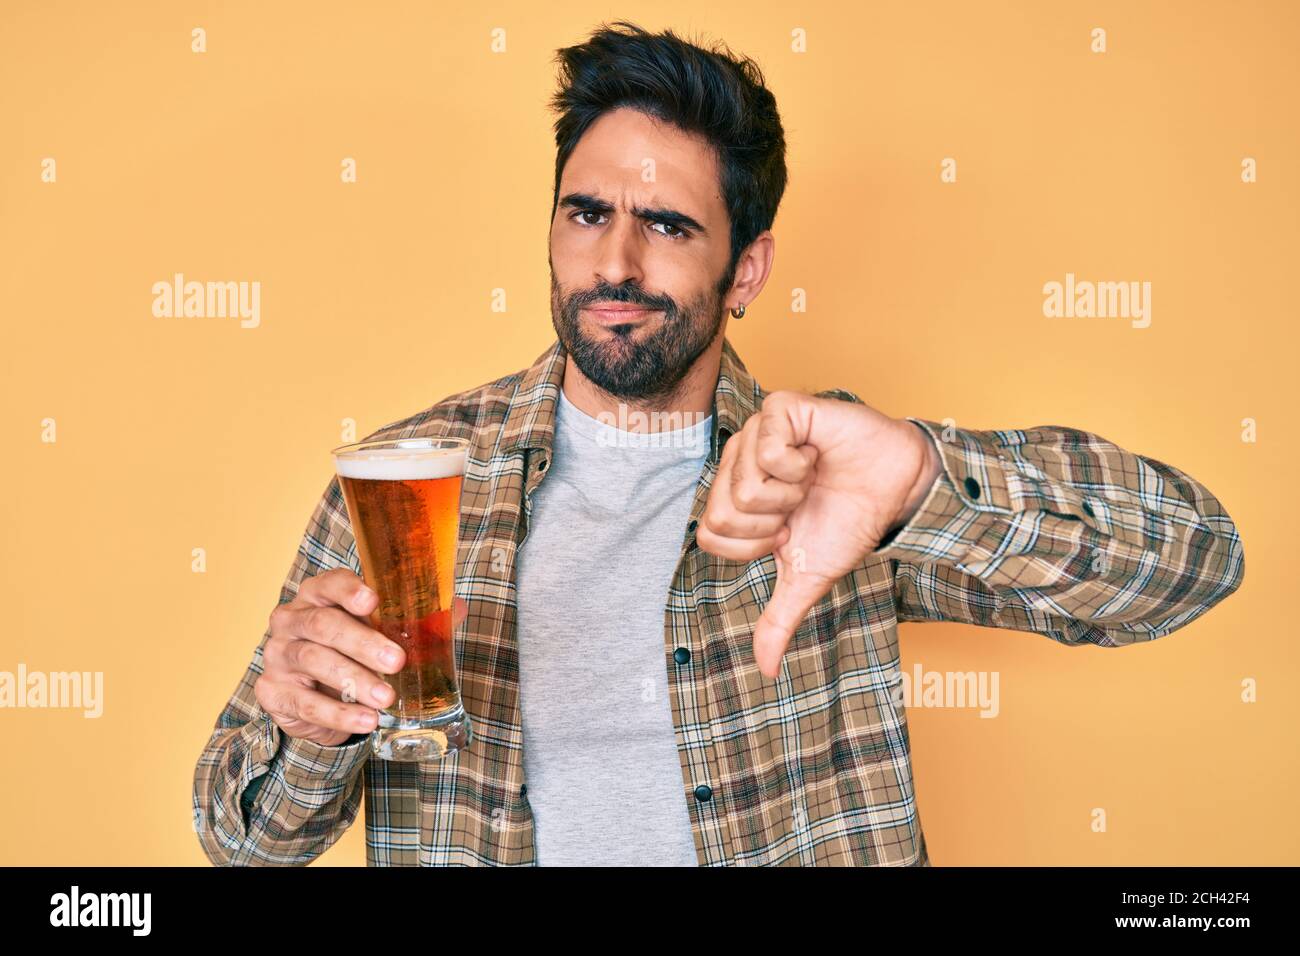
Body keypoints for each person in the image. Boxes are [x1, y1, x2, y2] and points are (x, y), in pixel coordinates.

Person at [192, 21, 1245, 866]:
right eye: (585, 211)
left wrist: (924, 482)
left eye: (667, 225)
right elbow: (238, 841)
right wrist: (308, 733)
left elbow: (1195, 559)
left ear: (745, 270)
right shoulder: (406, 482)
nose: (612, 261)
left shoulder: (827, 477)